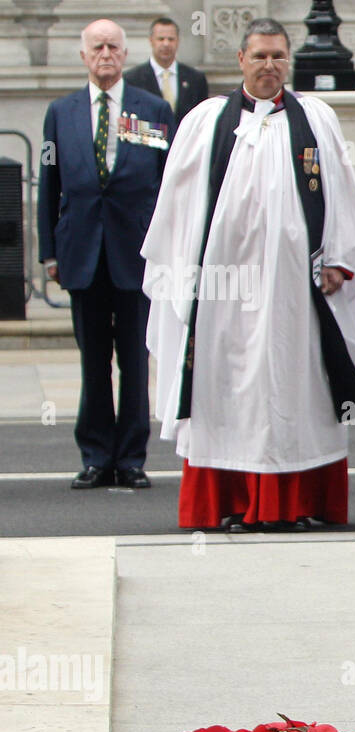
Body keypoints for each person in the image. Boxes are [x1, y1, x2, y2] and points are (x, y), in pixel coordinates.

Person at [141, 17, 355, 532]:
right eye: (260, 56)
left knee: (296, 389)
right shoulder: (205, 120)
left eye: (278, 56)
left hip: (295, 290)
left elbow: (341, 194)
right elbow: (175, 206)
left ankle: (293, 503)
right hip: (222, 292)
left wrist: (337, 258)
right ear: (241, 60)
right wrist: (179, 273)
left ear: (287, 62)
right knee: (226, 392)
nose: (270, 66)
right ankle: (229, 502)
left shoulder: (316, 118)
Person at [38, 19, 174, 490]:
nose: (106, 55)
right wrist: (49, 252)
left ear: (125, 53)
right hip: (81, 253)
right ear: (83, 56)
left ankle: (132, 458)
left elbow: (165, 183)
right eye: (97, 47)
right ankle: (96, 455)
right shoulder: (61, 112)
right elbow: (49, 186)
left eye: (114, 47)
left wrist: (167, 250)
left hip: (135, 254)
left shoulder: (151, 110)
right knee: (93, 360)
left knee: (135, 359)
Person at [124, 17, 210, 125]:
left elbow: (202, 119)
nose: (166, 44)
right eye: (161, 39)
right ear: (151, 41)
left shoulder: (196, 79)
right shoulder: (132, 79)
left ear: (178, 41)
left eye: (171, 39)